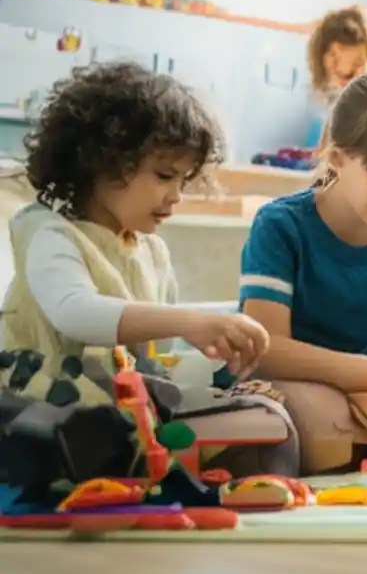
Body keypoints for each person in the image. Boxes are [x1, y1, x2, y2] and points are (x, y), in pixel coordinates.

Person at [0, 62, 268, 408]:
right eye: (164, 175)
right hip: (35, 412)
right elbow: (75, 312)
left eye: (183, 180)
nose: (176, 196)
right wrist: (193, 322)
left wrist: (216, 344)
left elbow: (153, 349)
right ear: (102, 161)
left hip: (121, 412)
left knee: (261, 416)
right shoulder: (51, 235)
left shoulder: (151, 252)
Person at [239, 70, 367, 474]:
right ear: (337, 158)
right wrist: (364, 371)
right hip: (298, 396)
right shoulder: (282, 226)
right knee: (314, 424)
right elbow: (262, 348)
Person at [303, 5, 367, 148]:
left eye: (357, 63)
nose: (343, 69)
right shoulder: (325, 121)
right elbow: (326, 166)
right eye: (333, 56)